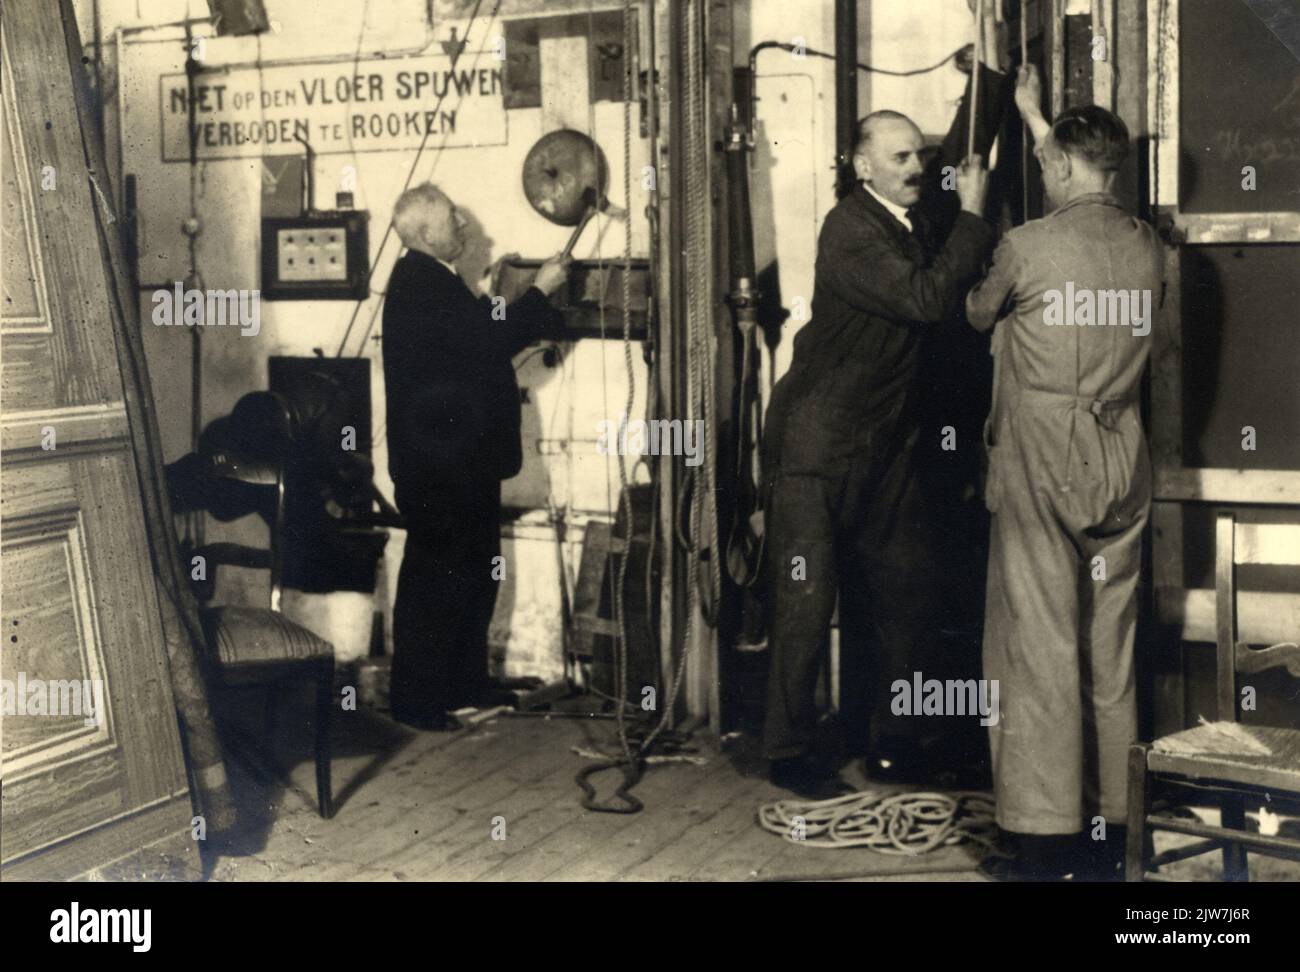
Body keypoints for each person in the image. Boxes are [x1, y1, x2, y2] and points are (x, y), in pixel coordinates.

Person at [761, 56, 1010, 798]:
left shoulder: (902, 222)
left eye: (920, 157)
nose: (914, 168)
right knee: (807, 601)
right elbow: (931, 298)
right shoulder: (850, 230)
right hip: (816, 444)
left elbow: (939, 244)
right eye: (899, 157)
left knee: (909, 593)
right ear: (863, 165)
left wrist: (1005, 102)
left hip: (885, 446)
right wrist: (972, 213)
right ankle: (787, 751)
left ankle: (898, 744)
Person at [965, 67, 1163, 880]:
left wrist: (977, 215)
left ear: (1059, 169)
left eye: (1049, 159)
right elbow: (1075, 169)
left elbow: (979, 311)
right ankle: (1116, 827)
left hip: (1047, 453)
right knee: (1107, 644)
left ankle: (1044, 841)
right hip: (1122, 453)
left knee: (1038, 643)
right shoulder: (1149, 246)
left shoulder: (1026, 246)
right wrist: (1033, 116)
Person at [382, 183, 570, 730]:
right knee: (435, 581)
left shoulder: (436, 281)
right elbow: (485, 340)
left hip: (462, 463)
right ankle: (417, 702)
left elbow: (470, 341)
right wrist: (539, 291)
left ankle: (464, 683)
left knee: (471, 574)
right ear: (422, 234)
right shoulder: (421, 283)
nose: (464, 224)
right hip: (440, 469)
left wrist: (510, 298)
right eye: (452, 218)